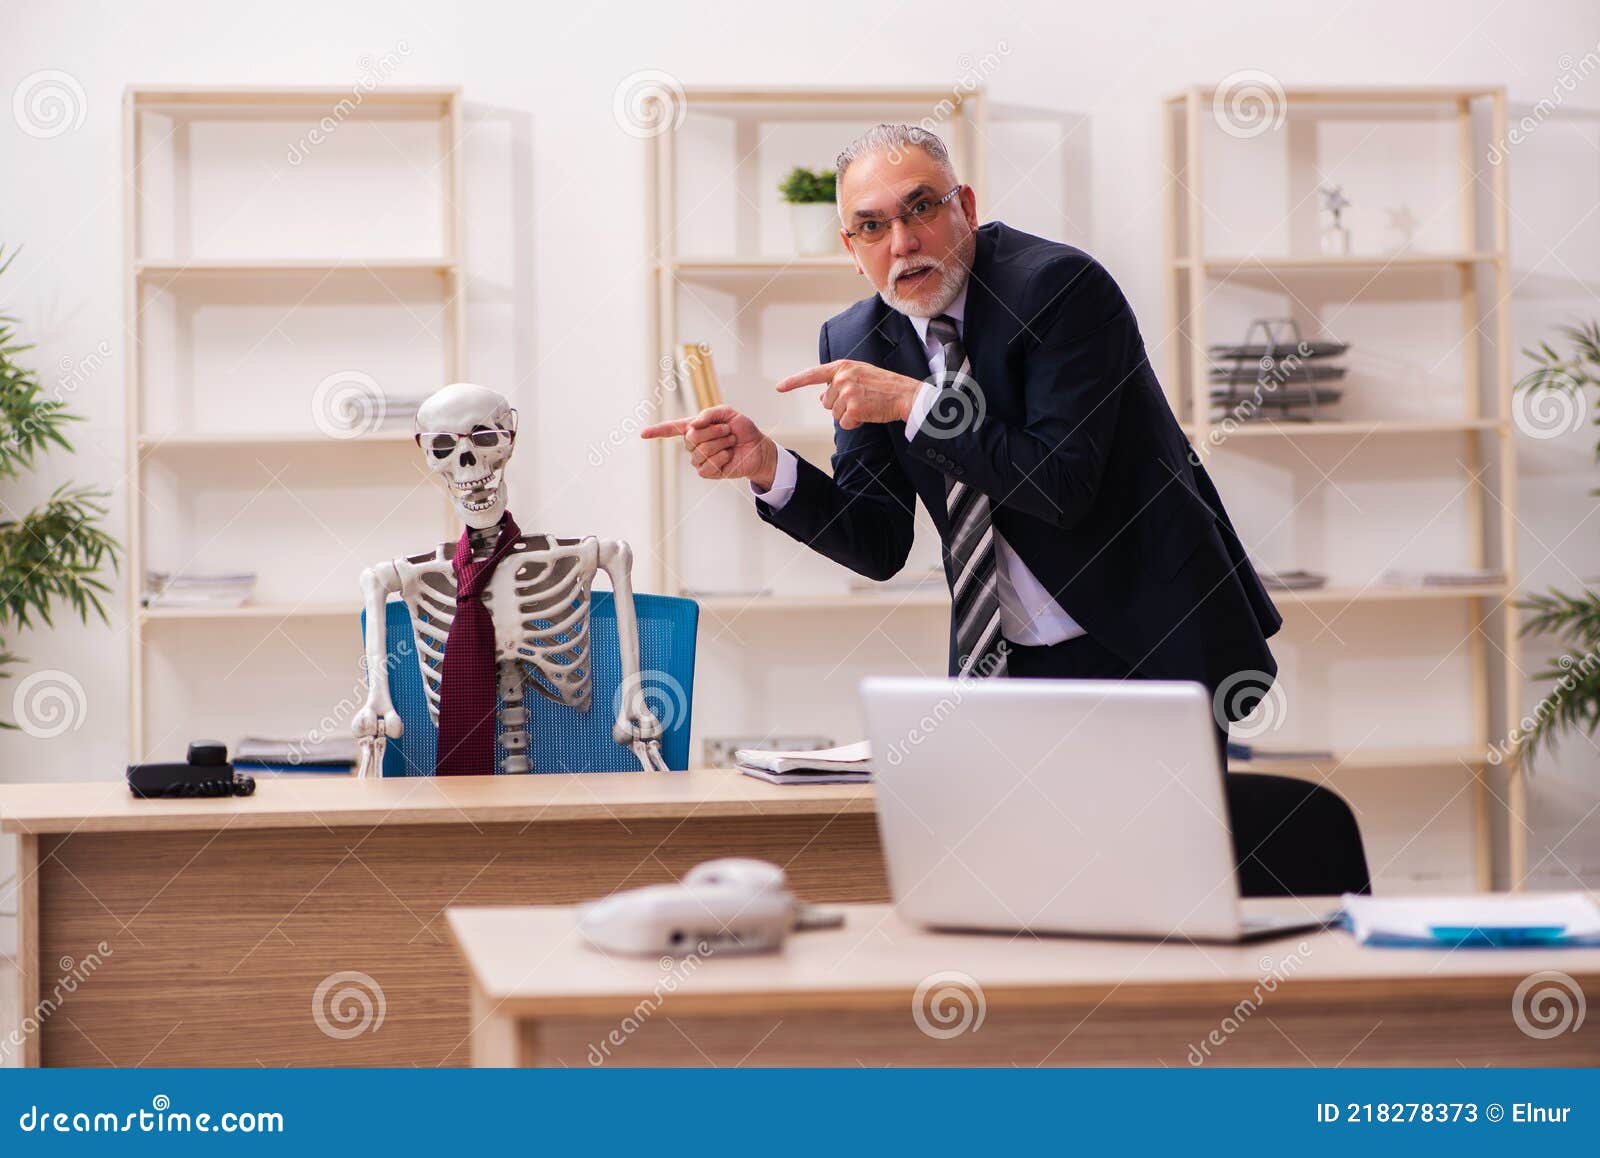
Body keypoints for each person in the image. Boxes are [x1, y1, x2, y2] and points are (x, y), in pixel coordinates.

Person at [642, 123, 1368, 897]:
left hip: (1145, 643)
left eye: (921, 208)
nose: (903, 241)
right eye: (872, 226)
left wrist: (917, 403)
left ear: (966, 206)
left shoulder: (1060, 289)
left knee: (1163, 896)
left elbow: (1060, 482)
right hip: (1007, 666)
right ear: (849, 245)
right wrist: (770, 469)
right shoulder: (857, 336)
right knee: (1029, 896)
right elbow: (878, 538)